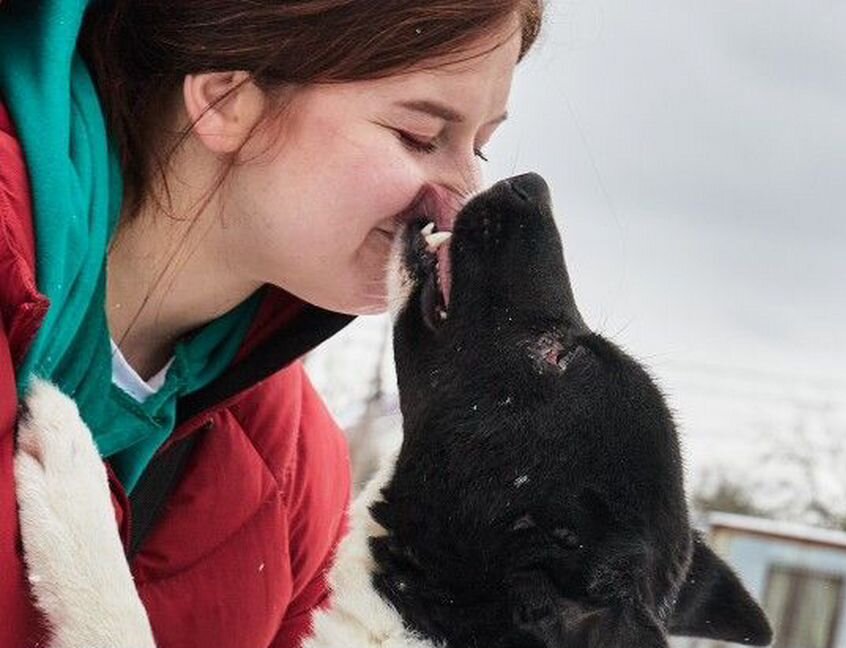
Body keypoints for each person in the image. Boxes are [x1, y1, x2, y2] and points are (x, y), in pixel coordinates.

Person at [0, 0, 544, 646]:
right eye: (421, 136)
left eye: (479, 146)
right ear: (224, 99)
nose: (461, 201)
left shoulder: (297, 485)